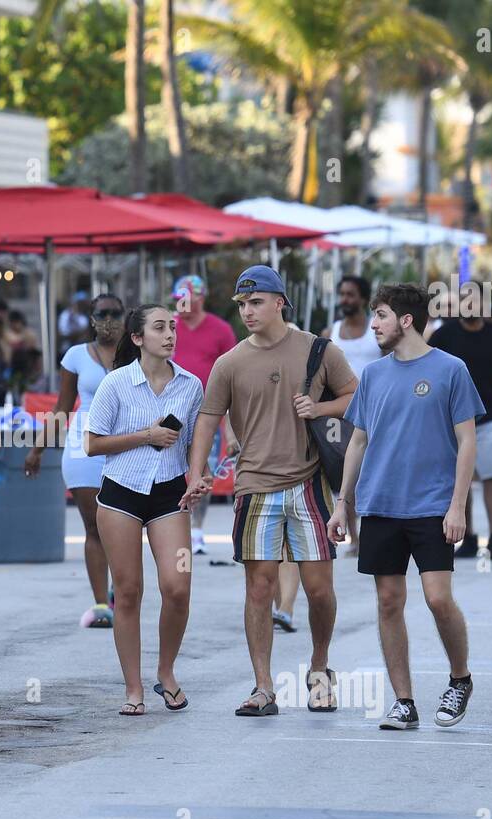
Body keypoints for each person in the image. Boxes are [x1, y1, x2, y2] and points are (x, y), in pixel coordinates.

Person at [181, 265, 357, 718]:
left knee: (319, 590)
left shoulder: (318, 350)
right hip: (254, 487)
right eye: (241, 304)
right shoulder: (230, 362)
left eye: (256, 302)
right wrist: (196, 470)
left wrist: (319, 406)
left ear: (280, 302)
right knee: (259, 590)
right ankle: (263, 686)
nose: (247, 312)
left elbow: (357, 396)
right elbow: (207, 416)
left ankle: (320, 670)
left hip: (310, 484)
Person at [329, 283, 483, 730]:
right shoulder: (374, 375)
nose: (373, 324)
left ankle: (459, 678)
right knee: (389, 601)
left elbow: (467, 439)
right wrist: (343, 505)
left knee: (438, 599)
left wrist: (458, 506)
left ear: (406, 320)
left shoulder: (451, 369)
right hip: (380, 505)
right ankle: (404, 701)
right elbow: (358, 439)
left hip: (433, 506)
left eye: (380, 315)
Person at [84, 304, 205, 715]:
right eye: (160, 328)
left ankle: (166, 672)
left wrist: (199, 476)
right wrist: (145, 436)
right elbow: (93, 444)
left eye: (173, 326)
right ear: (138, 338)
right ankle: (133, 689)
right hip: (121, 493)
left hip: (170, 493)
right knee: (129, 591)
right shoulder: (116, 384)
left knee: (178, 585)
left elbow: (193, 444)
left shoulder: (191, 386)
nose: (170, 334)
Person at [25, 292, 125, 628]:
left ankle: (120, 589)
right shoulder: (76, 355)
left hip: (127, 447)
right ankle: (101, 604)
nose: (108, 320)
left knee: (122, 527)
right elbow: (62, 407)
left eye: (114, 313)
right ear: (91, 319)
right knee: (94, 526)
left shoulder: (138, 352)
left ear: (125, 317)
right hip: (84, 446)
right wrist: (38, 448)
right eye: (101, 314)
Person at [430, 310, 492, 560]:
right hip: (451, 420)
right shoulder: (443, 336)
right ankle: (468, 536)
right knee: (462, 479)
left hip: (491, 416)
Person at [170, 274, 237, 556]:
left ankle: (197, 528)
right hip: (170, 407)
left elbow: (233, 374)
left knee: (204, 467)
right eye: (178, 299)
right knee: (170, 468)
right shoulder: (169, 325)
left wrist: (231, 423)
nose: (182, 304)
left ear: (200, 297)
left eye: (187, 298)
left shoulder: (220, 329)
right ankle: (175, 526)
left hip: (207, 410)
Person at [321, 274, 382, 554]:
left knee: (374, 474)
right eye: (342, 293)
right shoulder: (330, 332)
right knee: (350, 474)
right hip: (343, 415)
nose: (345, 299)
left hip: (378, 412)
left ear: (363, 299)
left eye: (351, 294)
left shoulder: (376, 330)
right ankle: (356, 538)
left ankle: (374, 532)